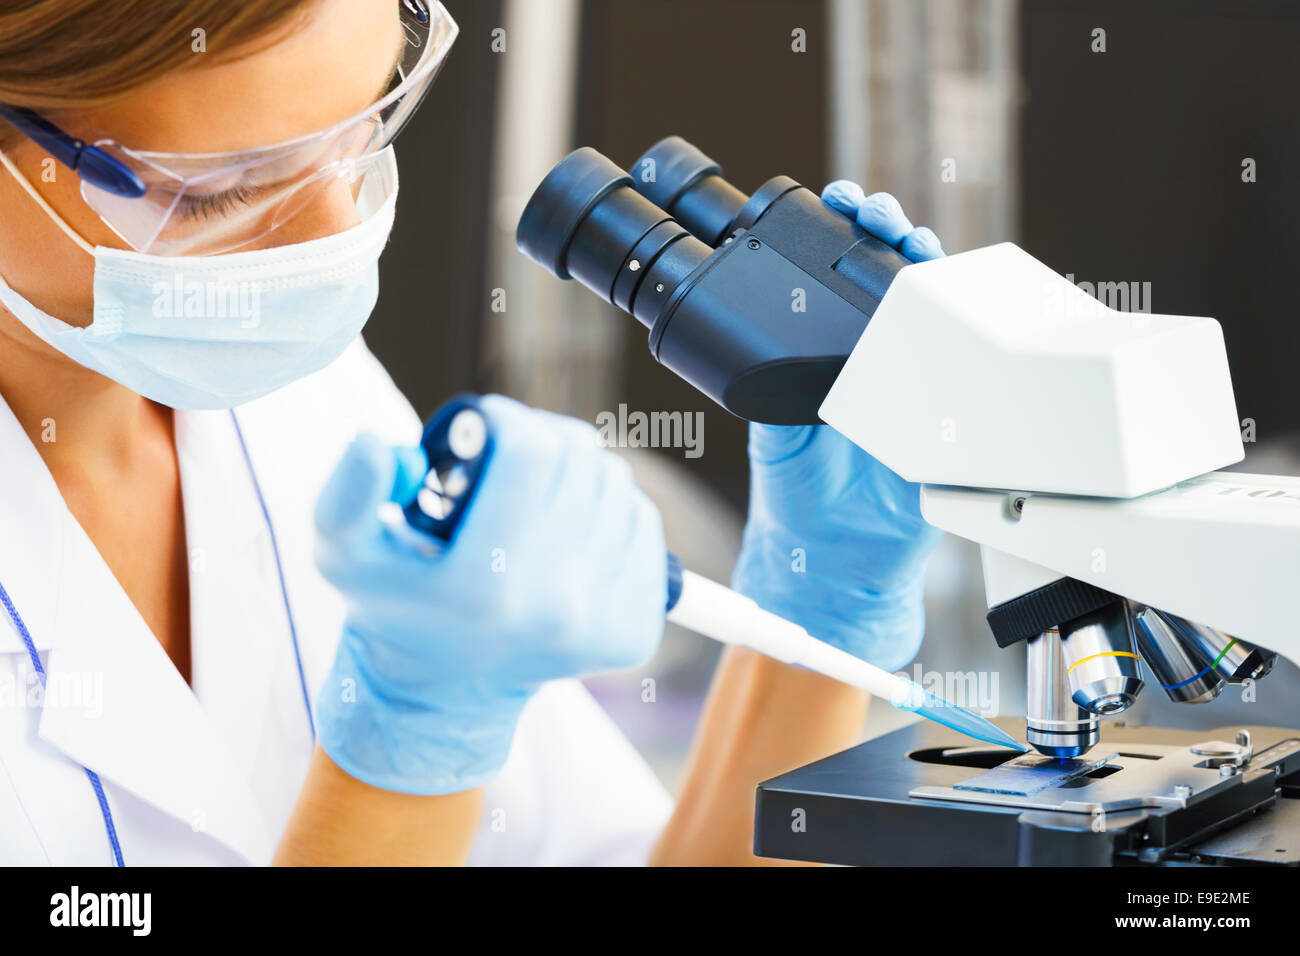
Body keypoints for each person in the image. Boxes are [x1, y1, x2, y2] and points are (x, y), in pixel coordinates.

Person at [0, 0, 944, 866]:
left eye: (363, 128)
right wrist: (409, 748)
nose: (335, 237)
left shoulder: (293, 396)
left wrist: (816, 612)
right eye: (220, 193)